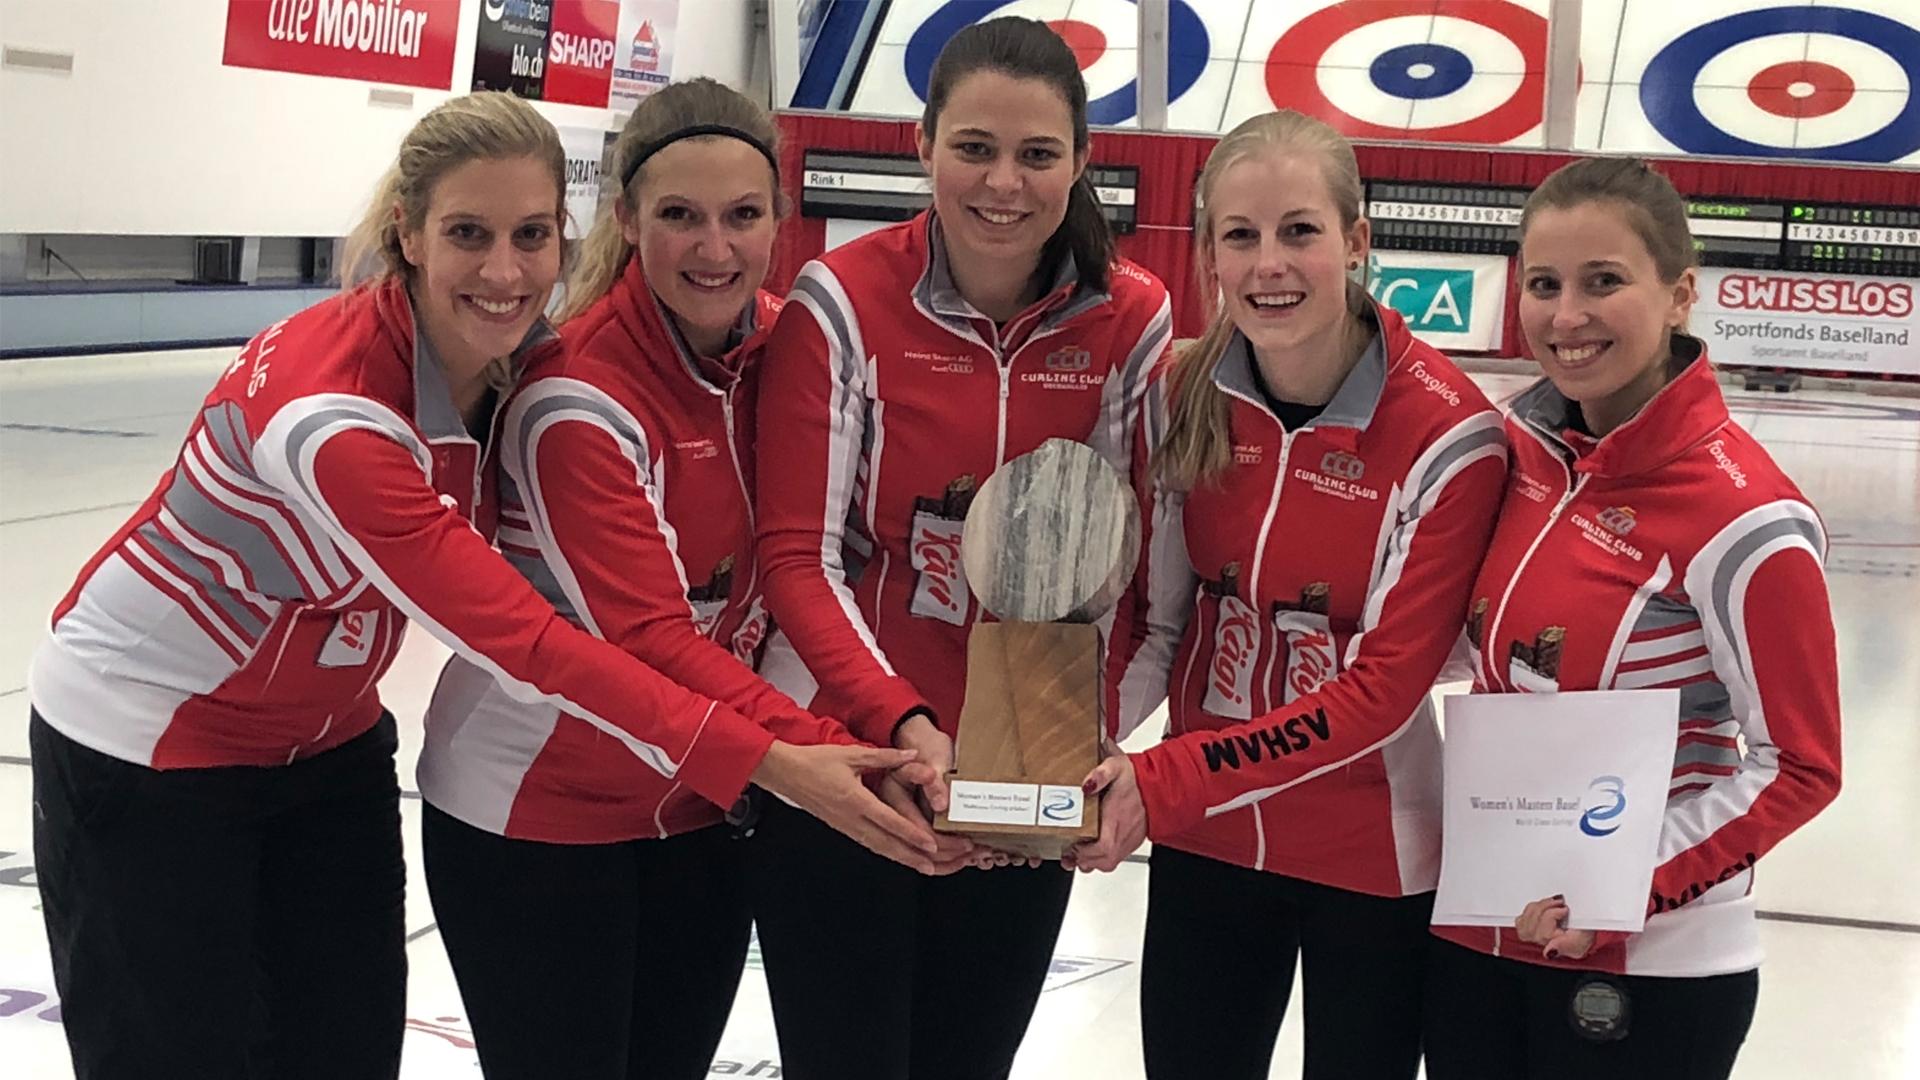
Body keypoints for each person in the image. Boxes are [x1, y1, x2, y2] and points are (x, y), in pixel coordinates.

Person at [27, 90, 937, 1080]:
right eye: (469, 234)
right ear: (406, 234)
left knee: (342, 1051)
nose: (505, 271)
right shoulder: (334, 420)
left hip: (326, 744)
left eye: (531, 235)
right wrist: (778, 762)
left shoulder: (521, 357)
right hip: (147, 740)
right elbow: (531, 644)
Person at [414, 79, 925, 1080]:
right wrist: (832, 754)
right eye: (679, 217)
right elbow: (653, 641)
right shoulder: (578, 398)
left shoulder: (785, 349)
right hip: (538, 819)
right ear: (627, 220)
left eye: (742, 216)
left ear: (783, 221)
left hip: (699, 807)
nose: (714, 249)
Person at [747, 17, 1174, 1080]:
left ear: (1081, 161)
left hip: (1031, 766)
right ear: (924, 143)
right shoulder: (840, 301)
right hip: (854, 760)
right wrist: (903, 730)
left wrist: (1066, 747)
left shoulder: (1132, 318)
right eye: (975, 147)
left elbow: (1139, 573)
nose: (1004, 184)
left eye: (1038, 155)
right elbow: (796, 556)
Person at [1064, 108, 1510, 1079]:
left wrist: (1161, 780)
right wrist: (1075, 753)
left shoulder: (1450, 434)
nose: (1271, 263)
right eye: (1242, 235)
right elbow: (1161, 622)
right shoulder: (1185, 395)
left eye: (1300, 231)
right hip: (1206, 842)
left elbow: (1381, 693)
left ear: (1356, 239)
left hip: (1374, 858)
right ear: (1209, 254)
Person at [1421, 156, 1843, 1080]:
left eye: (1603, 282)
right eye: (1544, 284)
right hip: (1481, 936)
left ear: (1680, 293)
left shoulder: (1747, 519)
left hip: (1651, 967)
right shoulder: (1521, 453)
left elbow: (1803, 764)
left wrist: (1624, 888)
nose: (1565, 317)